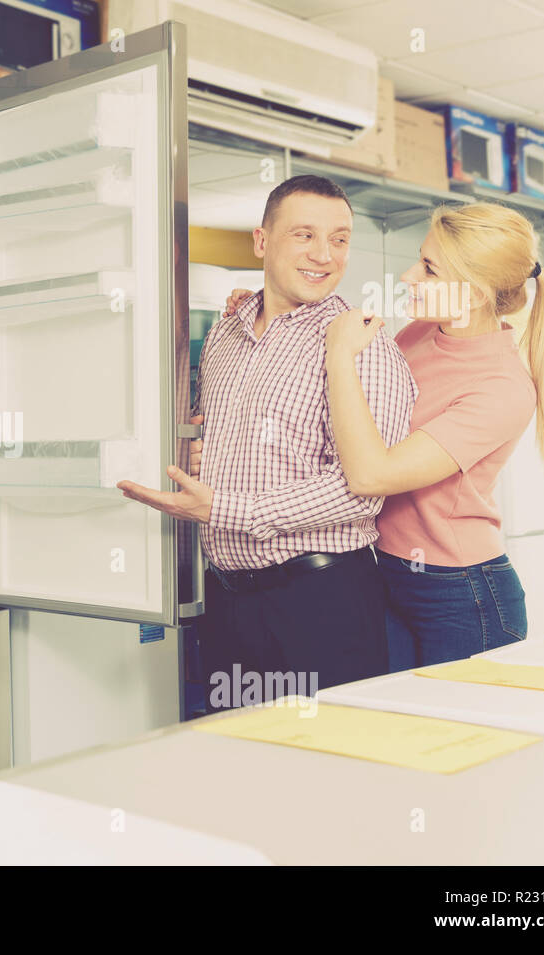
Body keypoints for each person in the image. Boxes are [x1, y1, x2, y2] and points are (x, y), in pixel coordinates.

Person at [218, 202, 544, 670]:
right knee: (398, 728)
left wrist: (339, 356)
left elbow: (370, 474)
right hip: (386, 570)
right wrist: (264, 308)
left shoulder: (502, 388)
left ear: (475, 293)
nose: (408, 276)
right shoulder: (421, 333)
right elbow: (347, 413)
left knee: (457, 736)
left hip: (460, 593)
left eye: (429, 269)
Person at [117, 175, 417, 708]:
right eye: (304, 235)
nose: (324, 255)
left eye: (340, 239)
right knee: (241, 765)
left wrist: (223, 507)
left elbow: (362, 490)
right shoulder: (224, 333)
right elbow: (227, 437)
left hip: (322, 601)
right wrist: (196, 452)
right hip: (229, 601)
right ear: (262, 241)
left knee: (331, 769)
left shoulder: (362, 344)